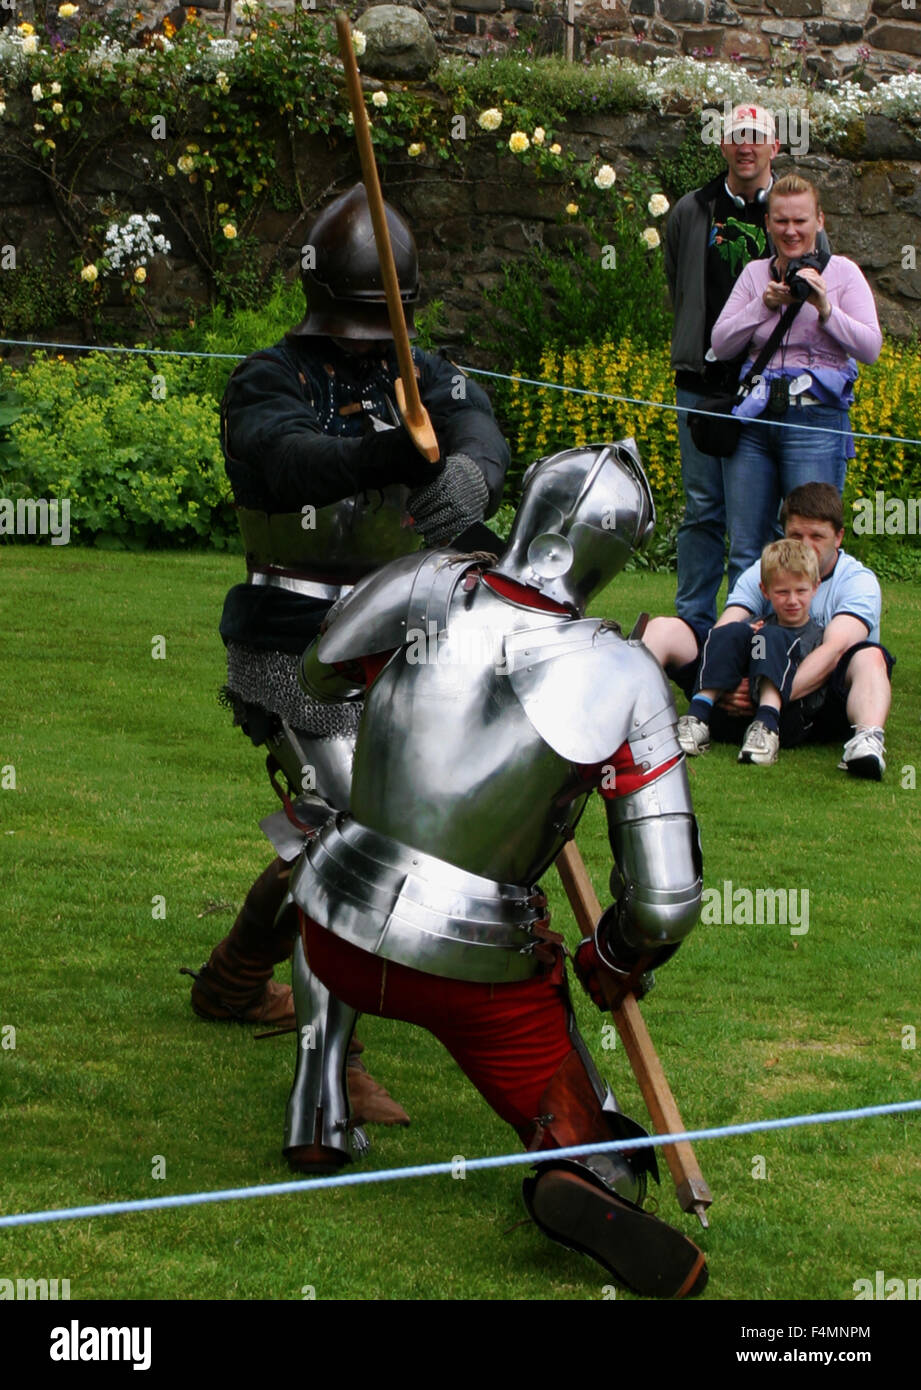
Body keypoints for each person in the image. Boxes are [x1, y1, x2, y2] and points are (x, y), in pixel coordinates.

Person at [282, 441, 708, 1298]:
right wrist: (612, 959)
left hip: (334, 924)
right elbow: (664, 902)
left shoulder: (422, 581)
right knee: (593, 1149)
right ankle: (576, 1167)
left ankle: (316, 1107)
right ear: (612, 555)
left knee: (324, 851)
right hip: (474, 977)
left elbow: (317, 677)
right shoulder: (625, 676)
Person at [183, 184, 509, 1129]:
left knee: (366, 827)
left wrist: (466, 470)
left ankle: (237, 974)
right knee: (345, 834)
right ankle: (337, 1061)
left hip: (407, 630)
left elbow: (479, 424)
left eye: (384, 332)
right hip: (291, 635)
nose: (370, 350)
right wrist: (392, 451)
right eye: (359, 332)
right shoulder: (266, 378)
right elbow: (281, 460)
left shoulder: (425, 371)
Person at [645, 483, 893, 779]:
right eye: (796, 535)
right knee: (664, 629)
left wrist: (764, 695)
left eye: (817, 536)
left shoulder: (857, 581)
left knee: (870, 657)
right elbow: (727, 627)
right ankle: (619, 715)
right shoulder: (764, 570)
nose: (806, 546)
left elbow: (834, 651)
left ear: (838, 537)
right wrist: (721, 681)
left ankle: (866, 741)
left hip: (815, 702)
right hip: (747, 684)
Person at [711, 174, 882, 585]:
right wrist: (762, 305)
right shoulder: (755, 275)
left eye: (801, 221)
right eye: (782, 221)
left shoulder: (843, 273)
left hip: (816, 421)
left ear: (819, 220)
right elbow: (721, 342)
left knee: (811, 549)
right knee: (747, 549)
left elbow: (870, 347)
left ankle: (809, 644)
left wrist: (825, 307)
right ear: (768, 223)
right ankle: (747, 642)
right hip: (755, 421)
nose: (791, 231)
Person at [665, 103, 781, 633]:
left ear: (774, 147)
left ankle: (748, 625)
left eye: (757, 136)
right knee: (703, 509)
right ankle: (692, 623)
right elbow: (677, 281)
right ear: (723, 146)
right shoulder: (693, 210)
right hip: (702, 384)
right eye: (737, 136)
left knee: (755, 518)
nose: (746, 145)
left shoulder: (790, 210)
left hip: (767, 386)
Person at [677, 538, 822, 767]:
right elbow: (745, 656)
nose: (792, 600)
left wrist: (755, 688)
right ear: (765, 591)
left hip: (786, 719)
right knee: (732, 631)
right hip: (736, 715)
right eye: (783, 592)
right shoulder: (757, 627)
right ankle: (698, 716)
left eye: (800, 591)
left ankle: (766, 726)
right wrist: (748, 642)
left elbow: (815, 695)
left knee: (772, 636)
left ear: (815, 587)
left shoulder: (817, 637)